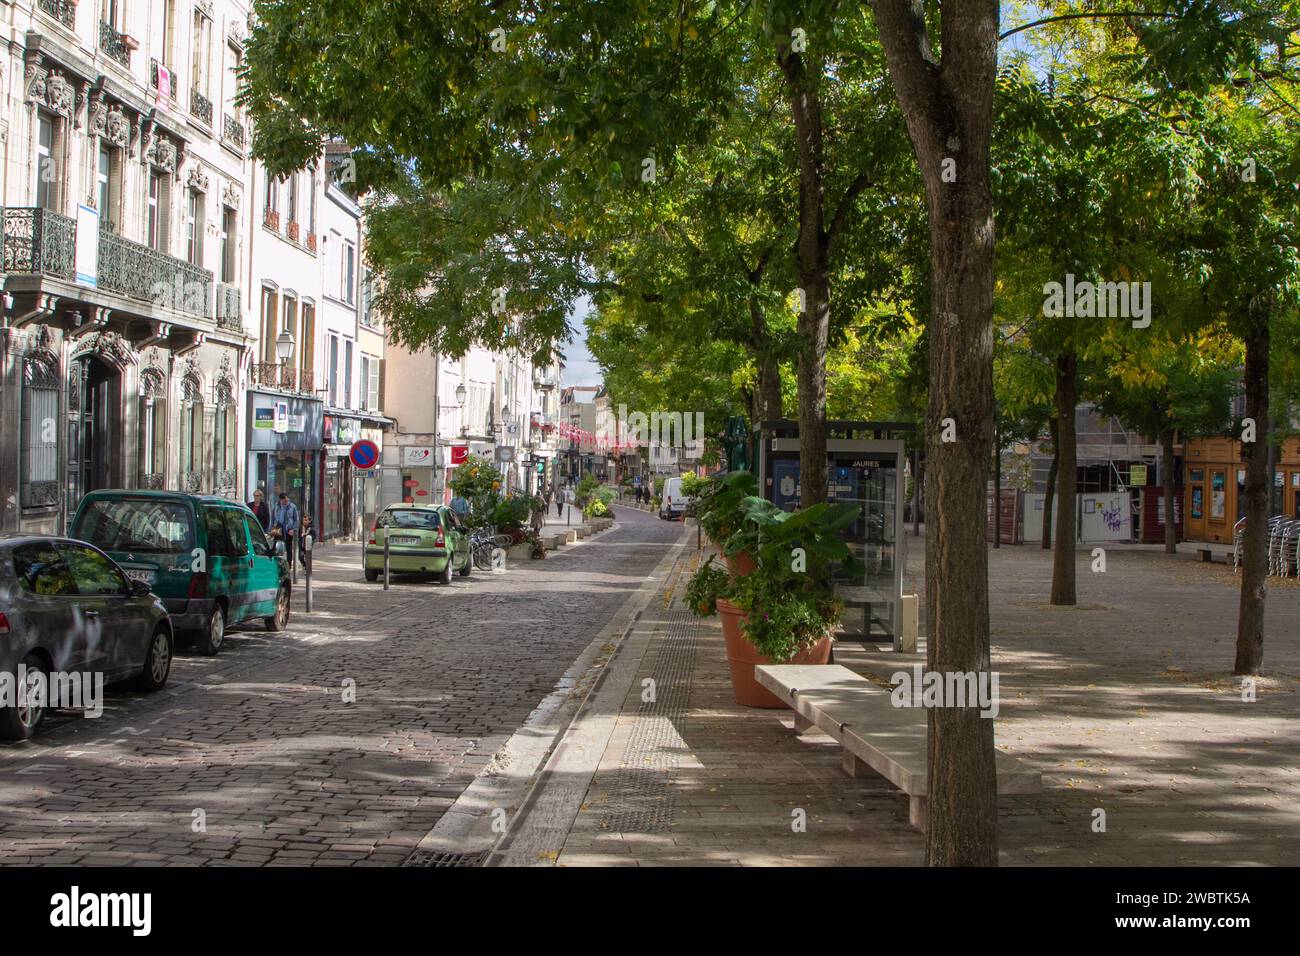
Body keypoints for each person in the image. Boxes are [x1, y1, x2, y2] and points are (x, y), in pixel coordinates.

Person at [271, 492, 300, 566]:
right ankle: (276, 564)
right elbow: (273, 517)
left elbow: (296, 519)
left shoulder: (292, 506)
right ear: (280, 500)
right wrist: (272, 527)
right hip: (278, 528)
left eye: (287, 500)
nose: (286, 502)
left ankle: (289, 565)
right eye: (284, 501)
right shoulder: (276, 506)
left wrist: (293, 529)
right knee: (276, 546)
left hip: (288, 529)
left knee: (288, 548)